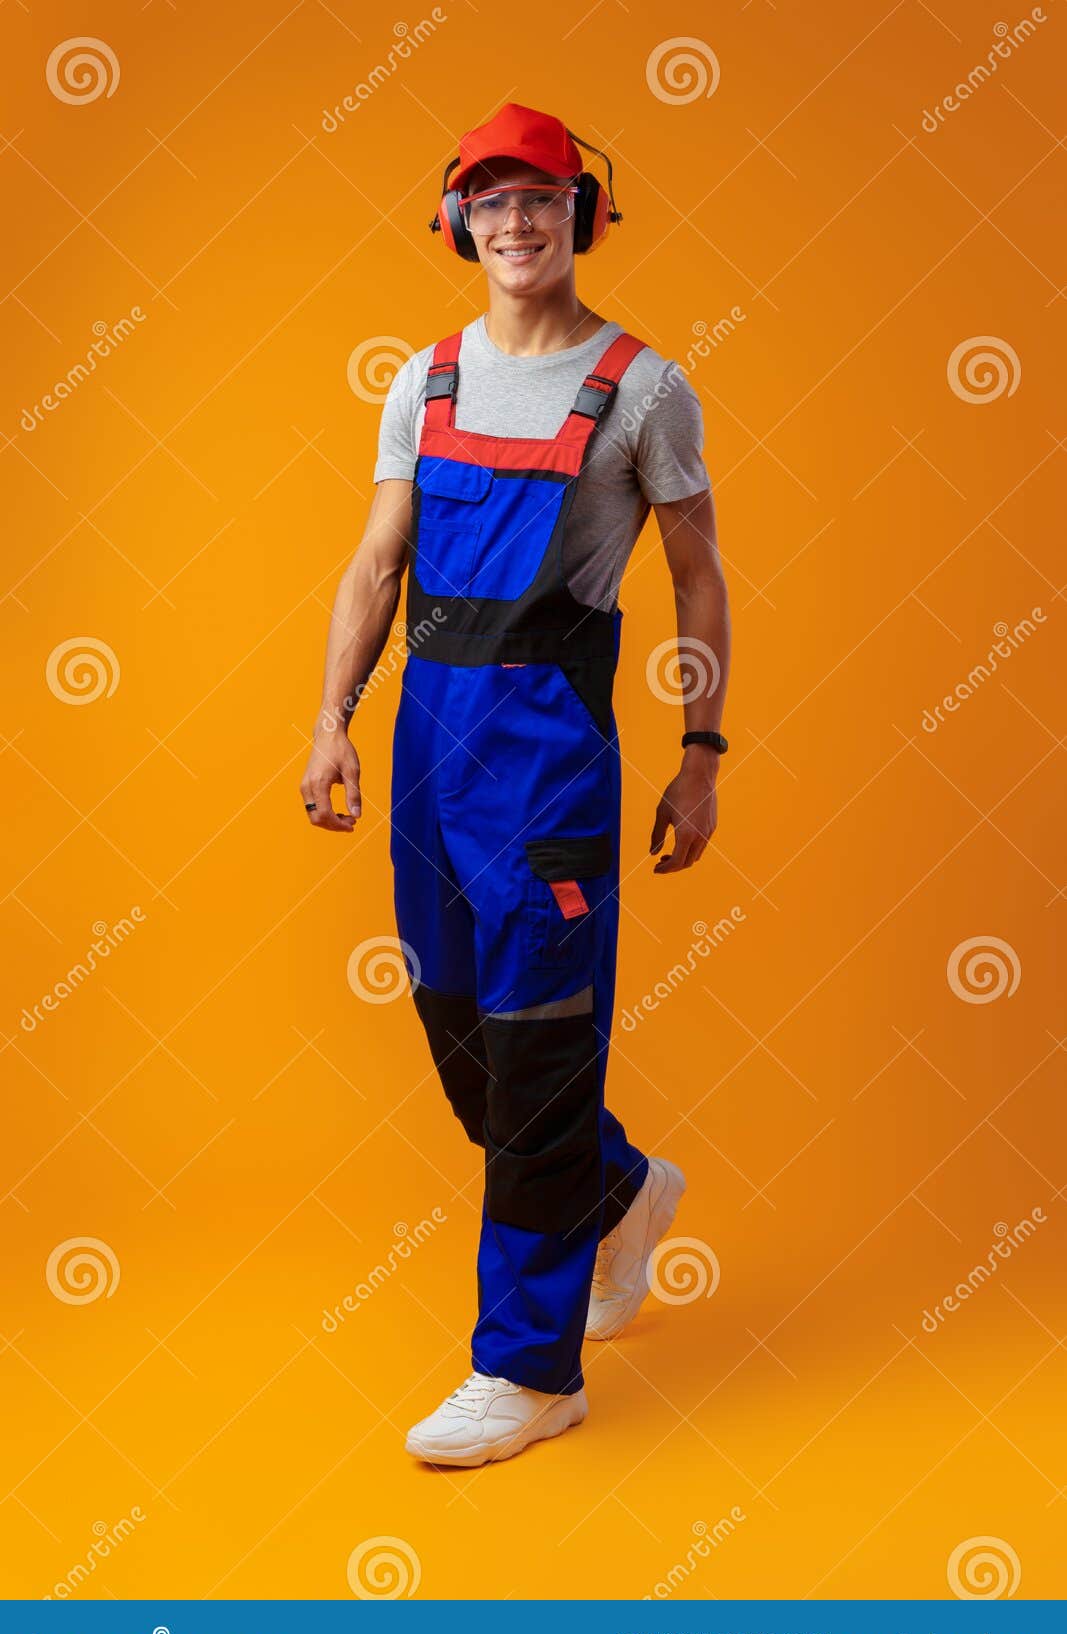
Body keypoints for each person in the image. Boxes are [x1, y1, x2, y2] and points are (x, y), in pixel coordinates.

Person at [300, 103, 730, 1467]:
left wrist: (702, 753)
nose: (516, 221)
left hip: (548, 766)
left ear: (581, 212)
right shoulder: (423, 382)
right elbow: (377, 564)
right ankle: (620, 1187)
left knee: (540, 1048)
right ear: (458, 222)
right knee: (459, 1030)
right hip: (429, 754)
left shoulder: (643, 388)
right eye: (490, 200)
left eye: (540, 195)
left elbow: (699, 576)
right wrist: (331, 720)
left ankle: (530, 1370)